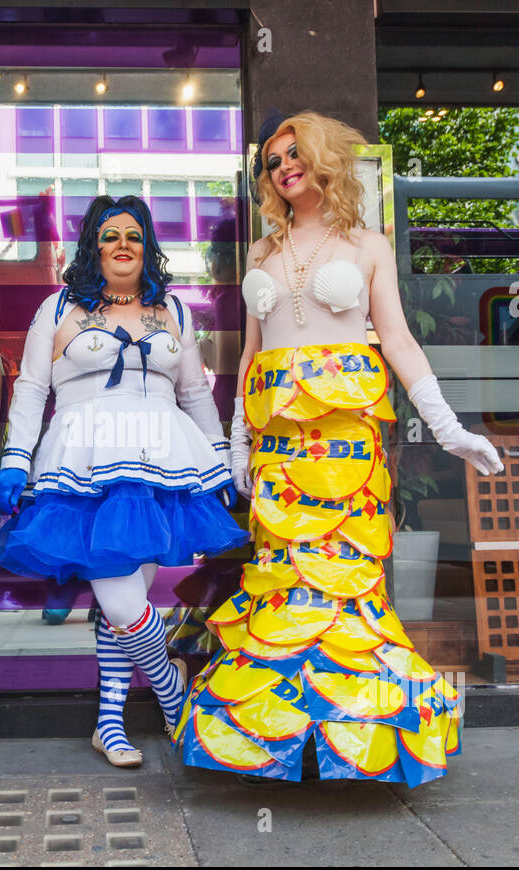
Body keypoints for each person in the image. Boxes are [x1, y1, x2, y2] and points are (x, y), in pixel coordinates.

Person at [173, 112, 502, 786]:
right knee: (286, 589)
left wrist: (448, 428)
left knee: (347, 589)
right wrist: (238, 439)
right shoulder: (263, 252)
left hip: (347, 448)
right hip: (279, 450)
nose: (284, 167)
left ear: (322, 156)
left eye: (295, 153)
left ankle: (357, 745)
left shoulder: (368, 245)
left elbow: (400, 341)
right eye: (272, 161)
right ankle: (277, 743)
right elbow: (252, 351)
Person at [0, 195, 248, 768]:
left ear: (147, 245)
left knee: (119, 604)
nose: (123, 244)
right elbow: (32, 387)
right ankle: (173, 689)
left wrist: (218, 457)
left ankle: (110, 723)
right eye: (110, 235)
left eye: (134, 234)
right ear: (93, 247)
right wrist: (15, 456)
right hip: (84, 462)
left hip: (163, 465)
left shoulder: (173, 310)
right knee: (125, 600)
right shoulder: (57, 309)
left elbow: (194, 392)